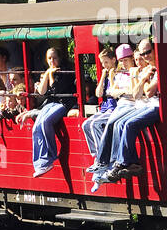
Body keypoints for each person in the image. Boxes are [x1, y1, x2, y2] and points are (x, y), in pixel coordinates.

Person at [97, 39, 161, 182]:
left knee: (128, 124)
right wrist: (143, 78)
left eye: (148, 52)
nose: (145, 56)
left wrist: (143, 79)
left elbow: (148, 92)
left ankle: (121, 163)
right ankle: (129, 163)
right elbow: (138, 93)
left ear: (155, 49)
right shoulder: (145, 69)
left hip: (157, 106)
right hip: (145, 104)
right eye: (143, 54)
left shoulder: (157, 68)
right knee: (120, 123)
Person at [86, 44, 137, 177]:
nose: (104, 65)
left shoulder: (123, 72)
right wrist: (104, 77)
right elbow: (104, 93)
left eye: (106, 62)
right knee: (86, 124)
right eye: (102, 63)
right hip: (113, 105)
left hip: (118, 106)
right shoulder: (116, 74)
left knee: (101, 124)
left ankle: (106, 161)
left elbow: (131, 92)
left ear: (113, 60)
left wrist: (121, 91)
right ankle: (99, 157)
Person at [31, 47, 78, 176]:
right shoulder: (48, 71)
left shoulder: (65, 72)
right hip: (51, 103)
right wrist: (47, 74)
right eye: (49, 58)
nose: (52, 61)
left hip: (63, 103)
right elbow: (42, 92)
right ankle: (39, 163)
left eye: (54, 58)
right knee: (36, 128)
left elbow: (56, 89)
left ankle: (49, 158)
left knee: (46, 122)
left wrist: (50, 75)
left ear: (60, 58)